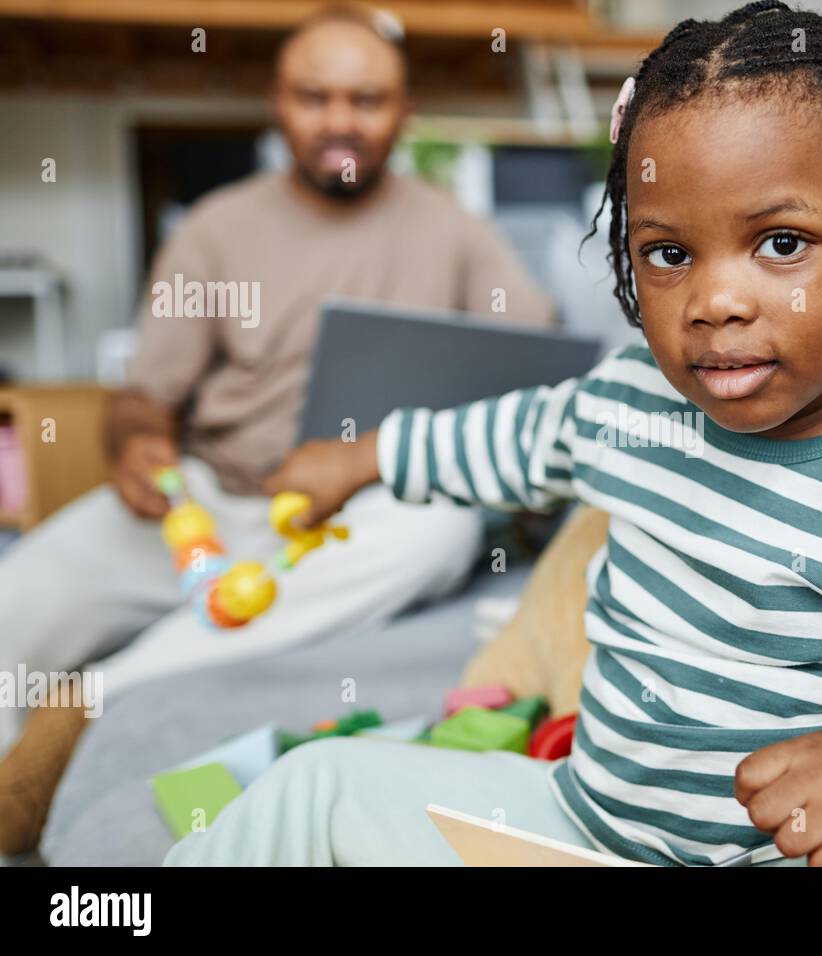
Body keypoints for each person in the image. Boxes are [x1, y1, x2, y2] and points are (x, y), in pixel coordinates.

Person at [167, 1, 822, 867]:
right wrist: (366, 454)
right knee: (314, 786)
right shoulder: (635, 396)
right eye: (669, 253)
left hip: (803, 860)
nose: (714, 301)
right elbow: (520, 435)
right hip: (579, 831)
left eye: (780, 243)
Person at [0, 4, 552, 854]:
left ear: (402, 111)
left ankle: (96, 696)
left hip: (351, 519)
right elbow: (145, 395)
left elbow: (535, 357)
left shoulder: (453, 230)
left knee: (439, 525)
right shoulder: (218, 226)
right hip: (209, 504)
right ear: (277, 103)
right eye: (315, 96)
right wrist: (137, 443)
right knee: (23, 592)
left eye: (366, 99)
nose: (340, 120)